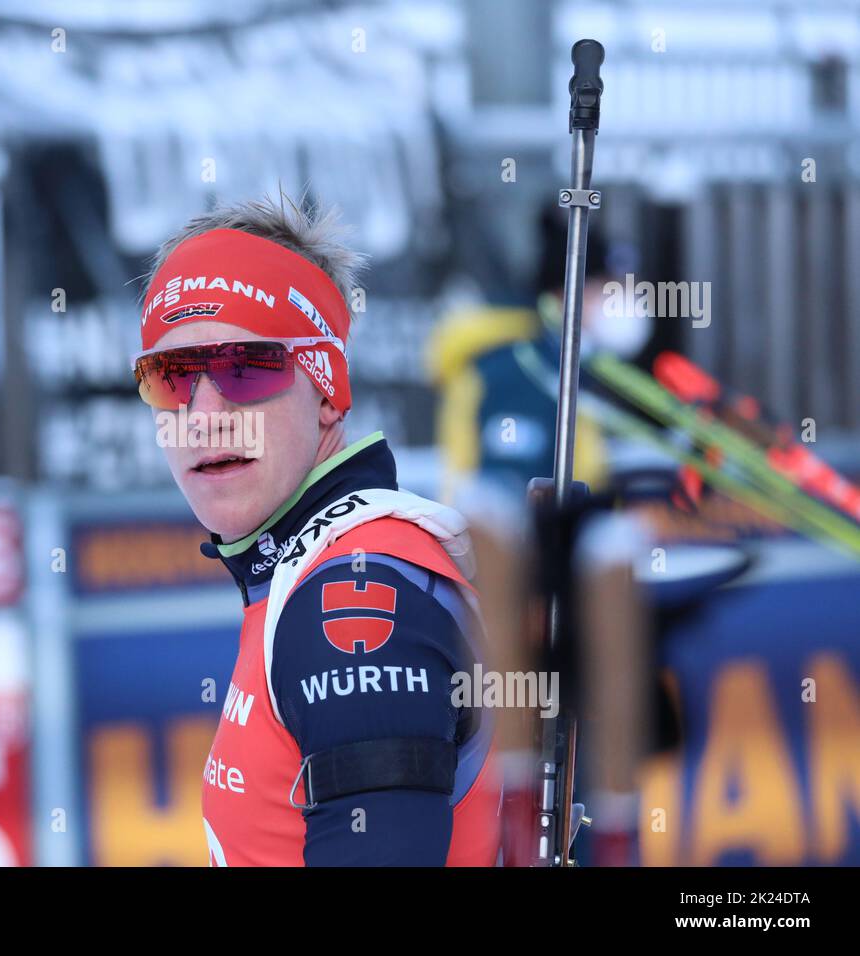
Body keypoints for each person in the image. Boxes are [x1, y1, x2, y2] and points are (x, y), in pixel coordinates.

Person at [132, 196, 500, 866]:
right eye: (173, 375)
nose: (205, 414)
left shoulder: (355, 591)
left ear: (328, 389)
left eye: (244, 367)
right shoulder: (307, 572)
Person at [428, 207, 650, 500]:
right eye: (607, 289)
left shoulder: (582, 369)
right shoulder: (517, 373)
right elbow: (501, 496)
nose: (623, 302)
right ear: (564, 295)